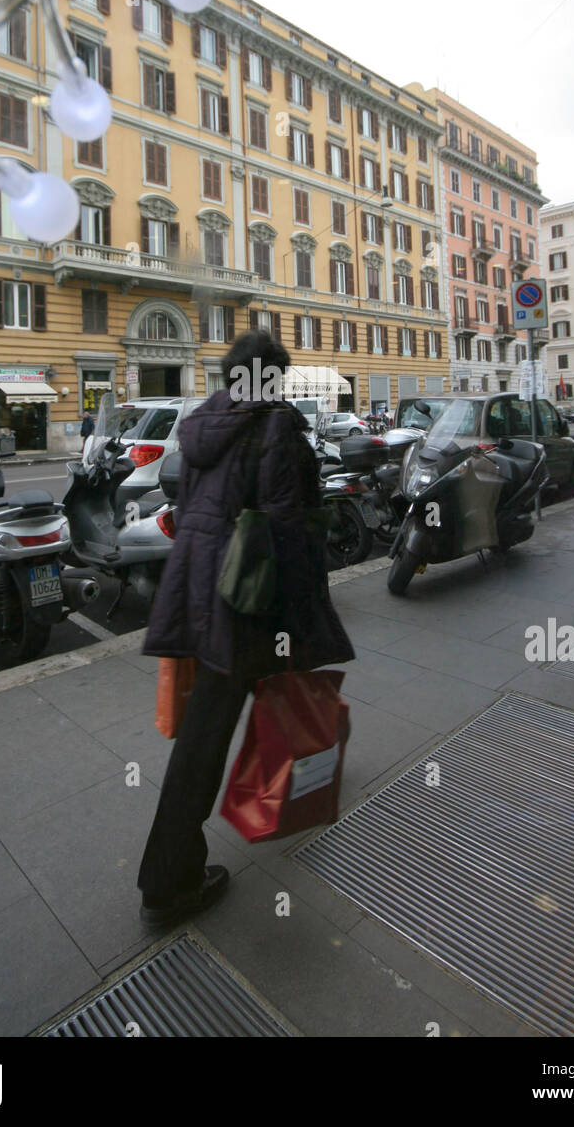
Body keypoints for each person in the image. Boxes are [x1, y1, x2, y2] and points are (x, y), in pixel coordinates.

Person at [137, 329, 354, 926]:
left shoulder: (207, 420)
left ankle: (177, 866)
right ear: (269, 378)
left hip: (203, 592)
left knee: (206, 730)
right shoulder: (274, 427)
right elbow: (290, 532)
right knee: (217, 734)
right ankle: (169, 879)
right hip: (248, 604)